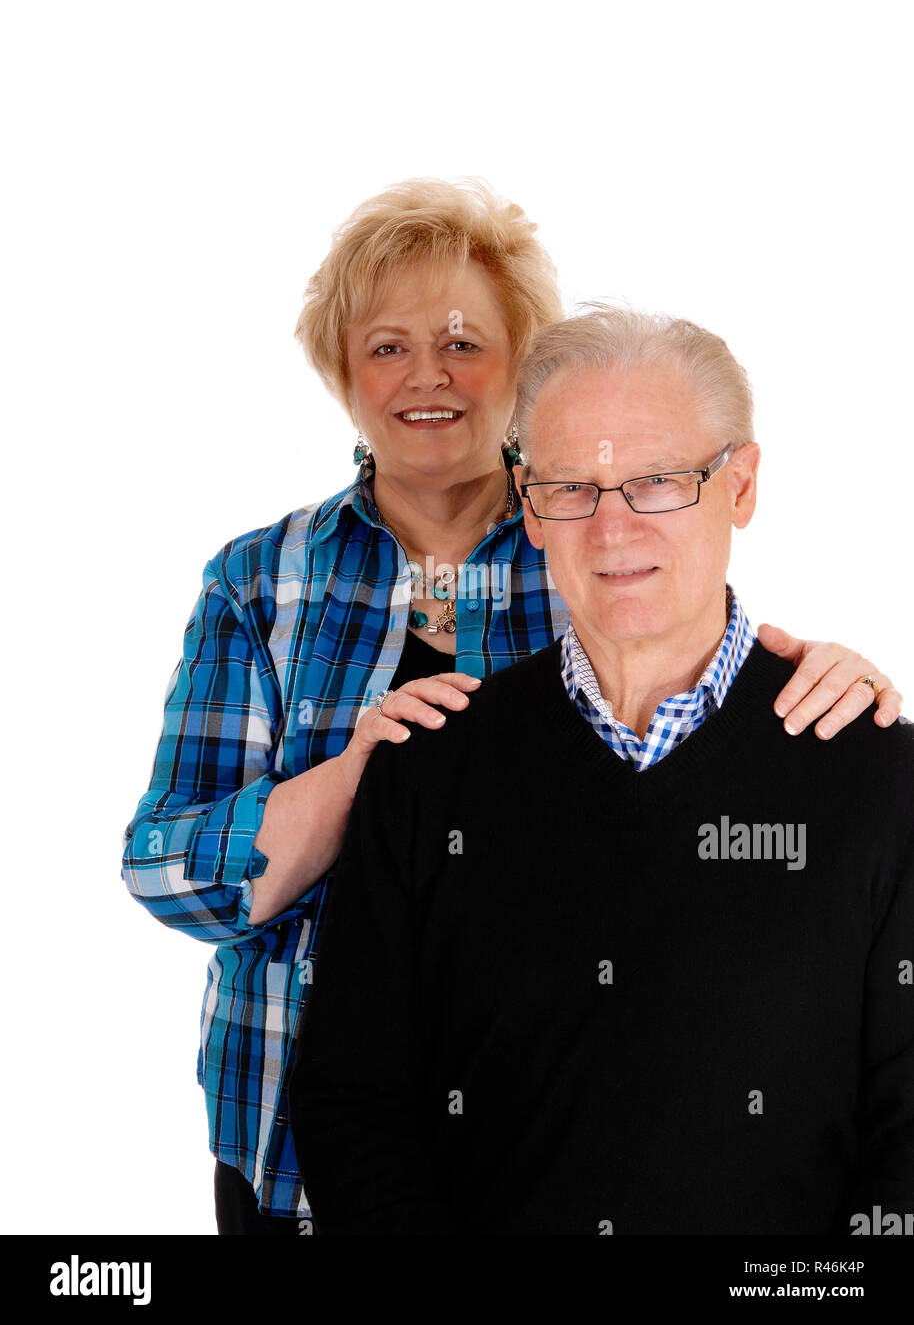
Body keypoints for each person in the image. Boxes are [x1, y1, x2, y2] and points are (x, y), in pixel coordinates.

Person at [121, 181, 902, 1233]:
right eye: (384, 346)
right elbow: (168, 874)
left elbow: (688, 685)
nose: (425, 376)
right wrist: (360, 778)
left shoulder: (582, 540)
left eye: (460, 343)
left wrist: (832, 690)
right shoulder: (263, 581)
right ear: (339, 370)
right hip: (290, 1135)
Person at [288, 304, 914, 1235]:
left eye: (657, 481)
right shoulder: (429, 771)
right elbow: (353, 1102)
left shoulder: (877, 774)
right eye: (573, 487)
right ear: (531, 508)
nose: (612, 531)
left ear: (739, 486)